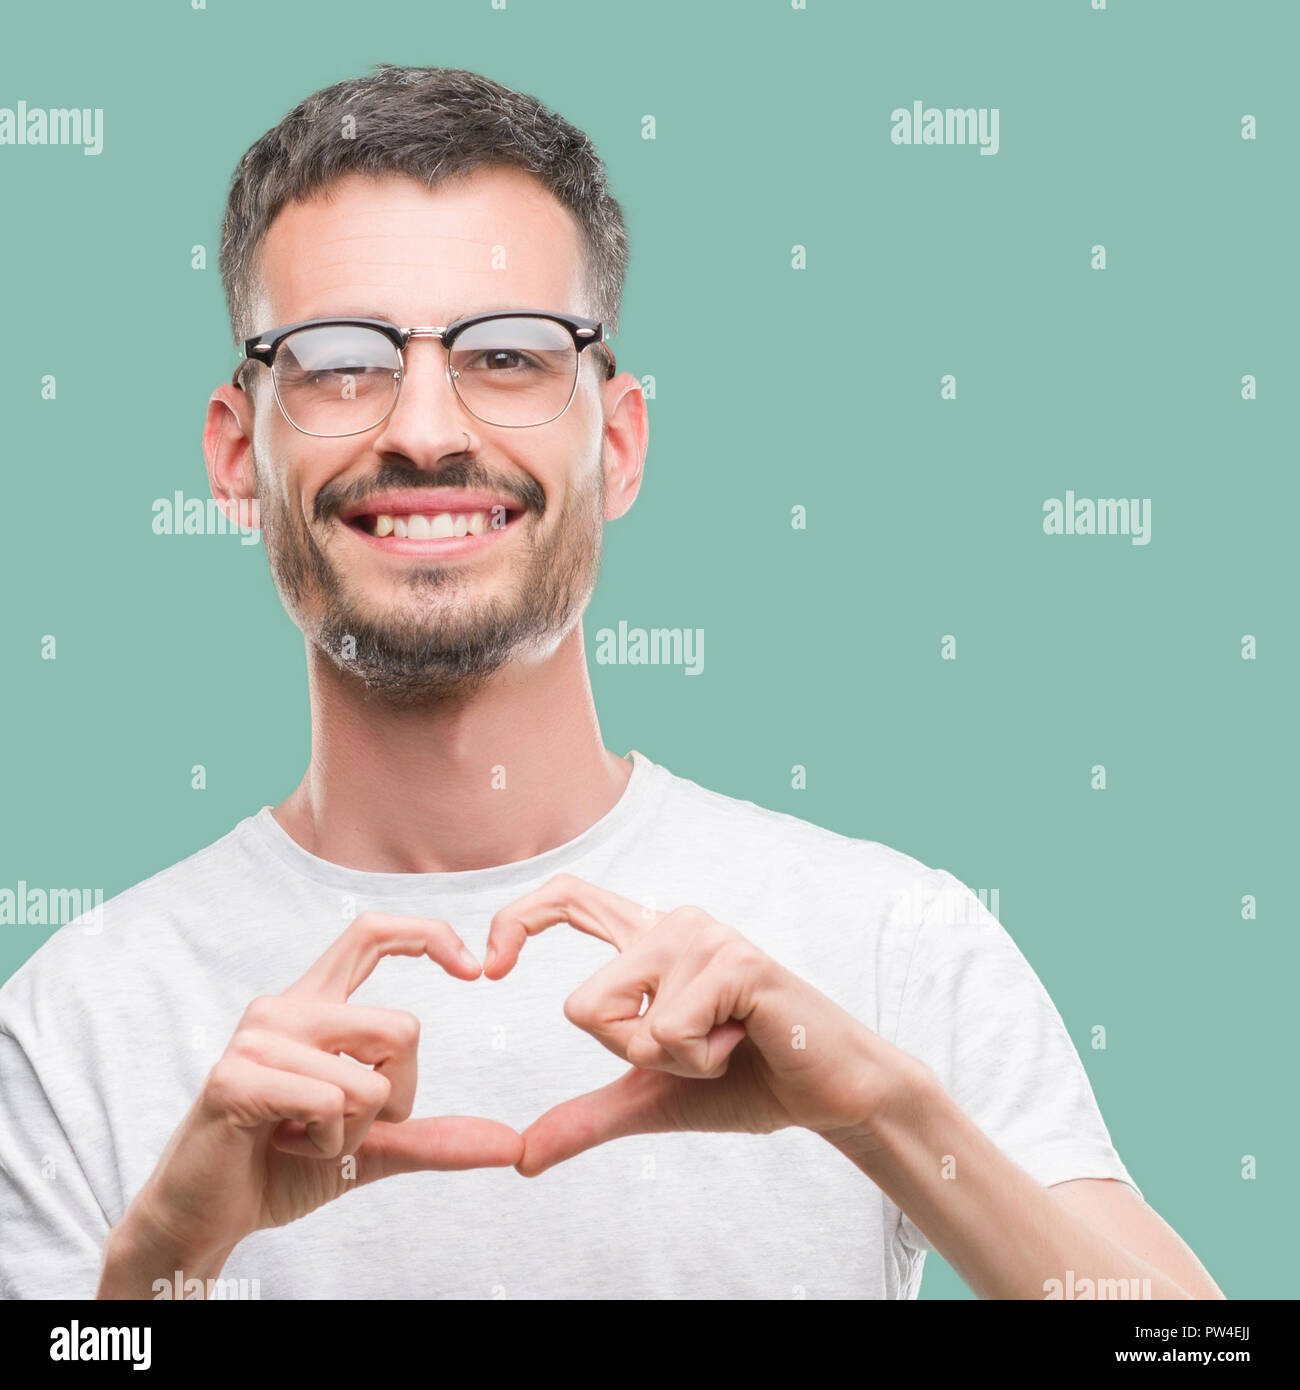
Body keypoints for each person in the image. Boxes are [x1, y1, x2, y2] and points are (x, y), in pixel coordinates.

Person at [0, 64, 1222, 1301]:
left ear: (620, 442)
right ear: (234, 455)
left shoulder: (892, 942)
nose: (424, 429)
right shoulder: (73, 1023)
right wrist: (157, 1273)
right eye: (336, 361)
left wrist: (883, 1113)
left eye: (511, 356)